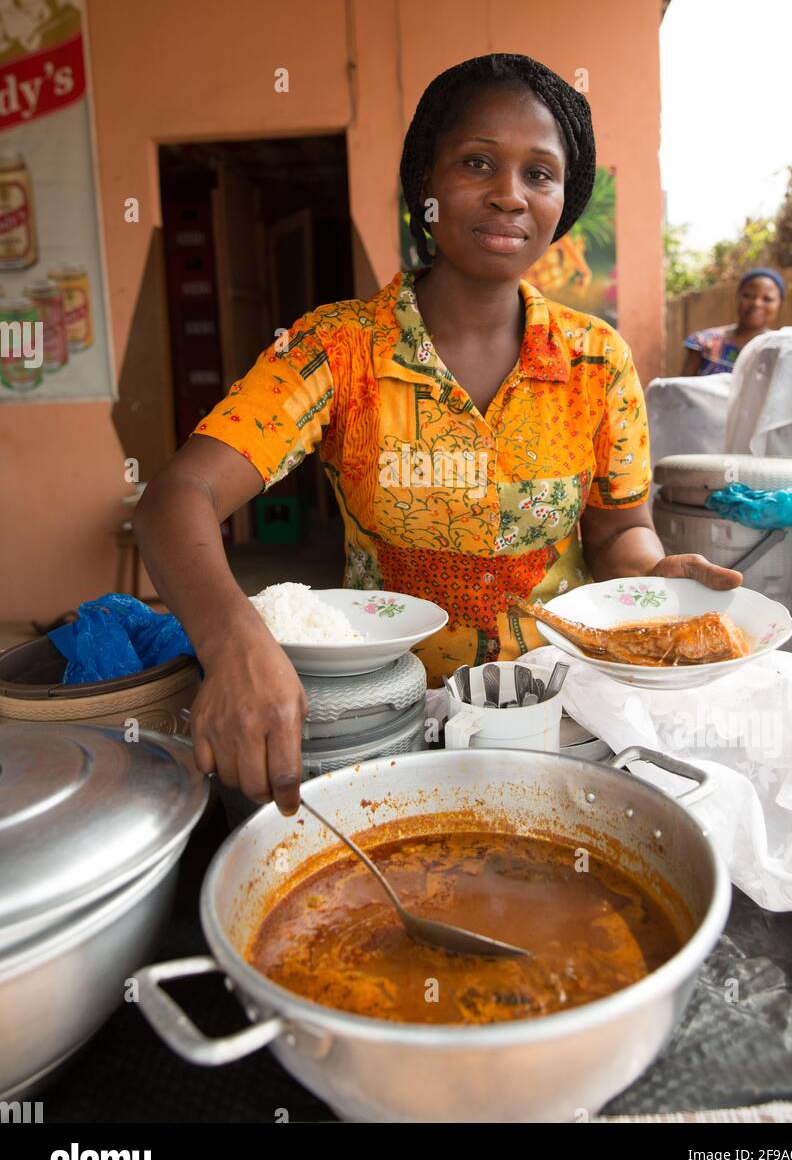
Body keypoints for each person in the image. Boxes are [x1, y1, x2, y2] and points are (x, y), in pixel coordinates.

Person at [134, 52, 742, 815]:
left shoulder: (597, 360)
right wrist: (233, 641)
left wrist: (654, 575)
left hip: (563, 719)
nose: (509, 196)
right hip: (385, 726)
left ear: (563, 200)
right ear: (425, 182)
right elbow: (175, 498)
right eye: (477, 162)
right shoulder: (340, 350)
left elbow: (620, 529)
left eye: (539, 175)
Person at [680, 268, 785, 377]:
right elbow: (682, 390)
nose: (756, 303)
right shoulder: (704, 342)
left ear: (779, 304)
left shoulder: (781, 350)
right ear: (737, 296)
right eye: (748, 296)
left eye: (767, 299)